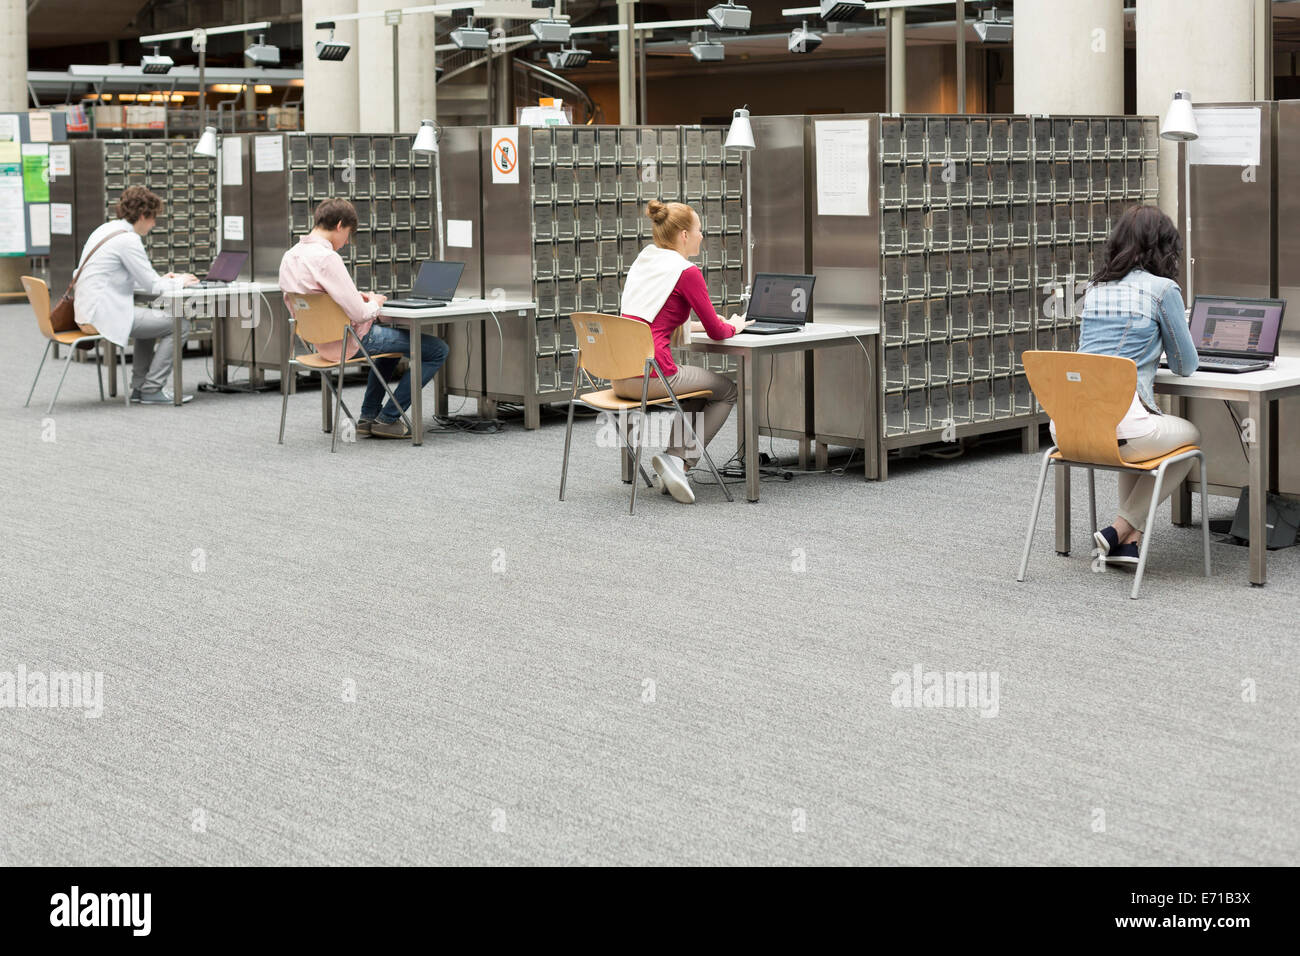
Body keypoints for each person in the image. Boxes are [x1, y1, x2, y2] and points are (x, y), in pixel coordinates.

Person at [1072, 204, 1201, 565]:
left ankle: (1127, 544)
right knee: (1189, 441)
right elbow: (1186, 365)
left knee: (1138, 441)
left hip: (1072, 428)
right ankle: (1118, 527)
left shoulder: (1095, 289)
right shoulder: (1163, 290)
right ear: (1164, 246)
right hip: (1123, 428)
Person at [614, 200, 751, 504]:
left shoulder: (646, 260)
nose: (703, 236)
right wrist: (734, 327)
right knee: (727, 390)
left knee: (698, 391)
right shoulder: (686, 272)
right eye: (699, 230)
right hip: (652, 375)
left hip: (620, 375)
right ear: (684, 236)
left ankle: (676, 458)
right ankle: (680, 461)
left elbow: (653, 318)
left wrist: (714, 324)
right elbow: (717, 332)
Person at [278, 197, 449, 439]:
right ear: (339, 225)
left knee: (390, 348)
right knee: (436, 349)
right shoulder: (327, 258)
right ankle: (388, 418)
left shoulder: (290, 256)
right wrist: (374, 303)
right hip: (348, 343)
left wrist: (357, 299)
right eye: (347, 234)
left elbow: (311, 301)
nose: (346, 242)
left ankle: (369, 416)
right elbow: (359, 314)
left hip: (319, 344)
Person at [74, 186, 198, 404]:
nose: (154, 224)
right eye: (153, 218)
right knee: (179, 324)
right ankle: (152, 387)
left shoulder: (105, 230)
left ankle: (140, 387)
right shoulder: (128, 240)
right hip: (103, 315)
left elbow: (136, 279)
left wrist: (165, 281)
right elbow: (151, 285)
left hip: (87, 311)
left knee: (150, 320)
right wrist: (181, 281)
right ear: (143, 215)